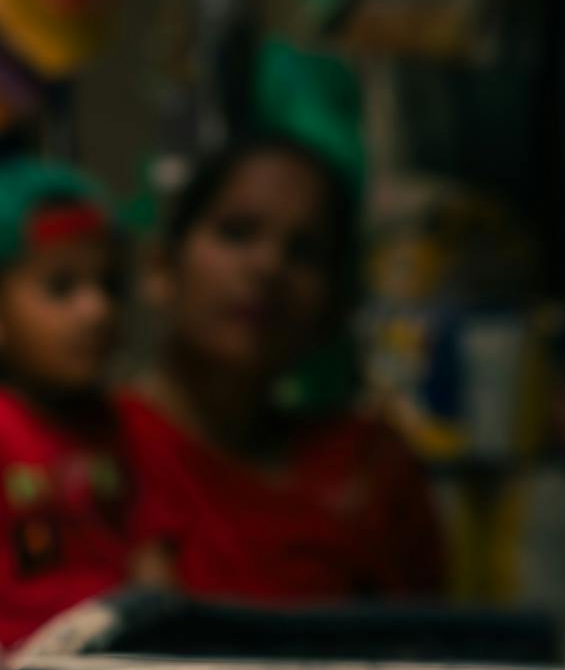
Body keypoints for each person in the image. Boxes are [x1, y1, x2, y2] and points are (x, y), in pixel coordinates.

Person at [124, 135, 448, 609]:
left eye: (304, 251)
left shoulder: (370, 469)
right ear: (161, 267)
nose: (268, 266)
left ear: (333, 309)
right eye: (237, 232)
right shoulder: (78, 450)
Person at [0, 155, 153, 642]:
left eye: (110, 285)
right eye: (60, 287)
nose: (97, 310)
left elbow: (154, 564)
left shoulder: (129, 425)